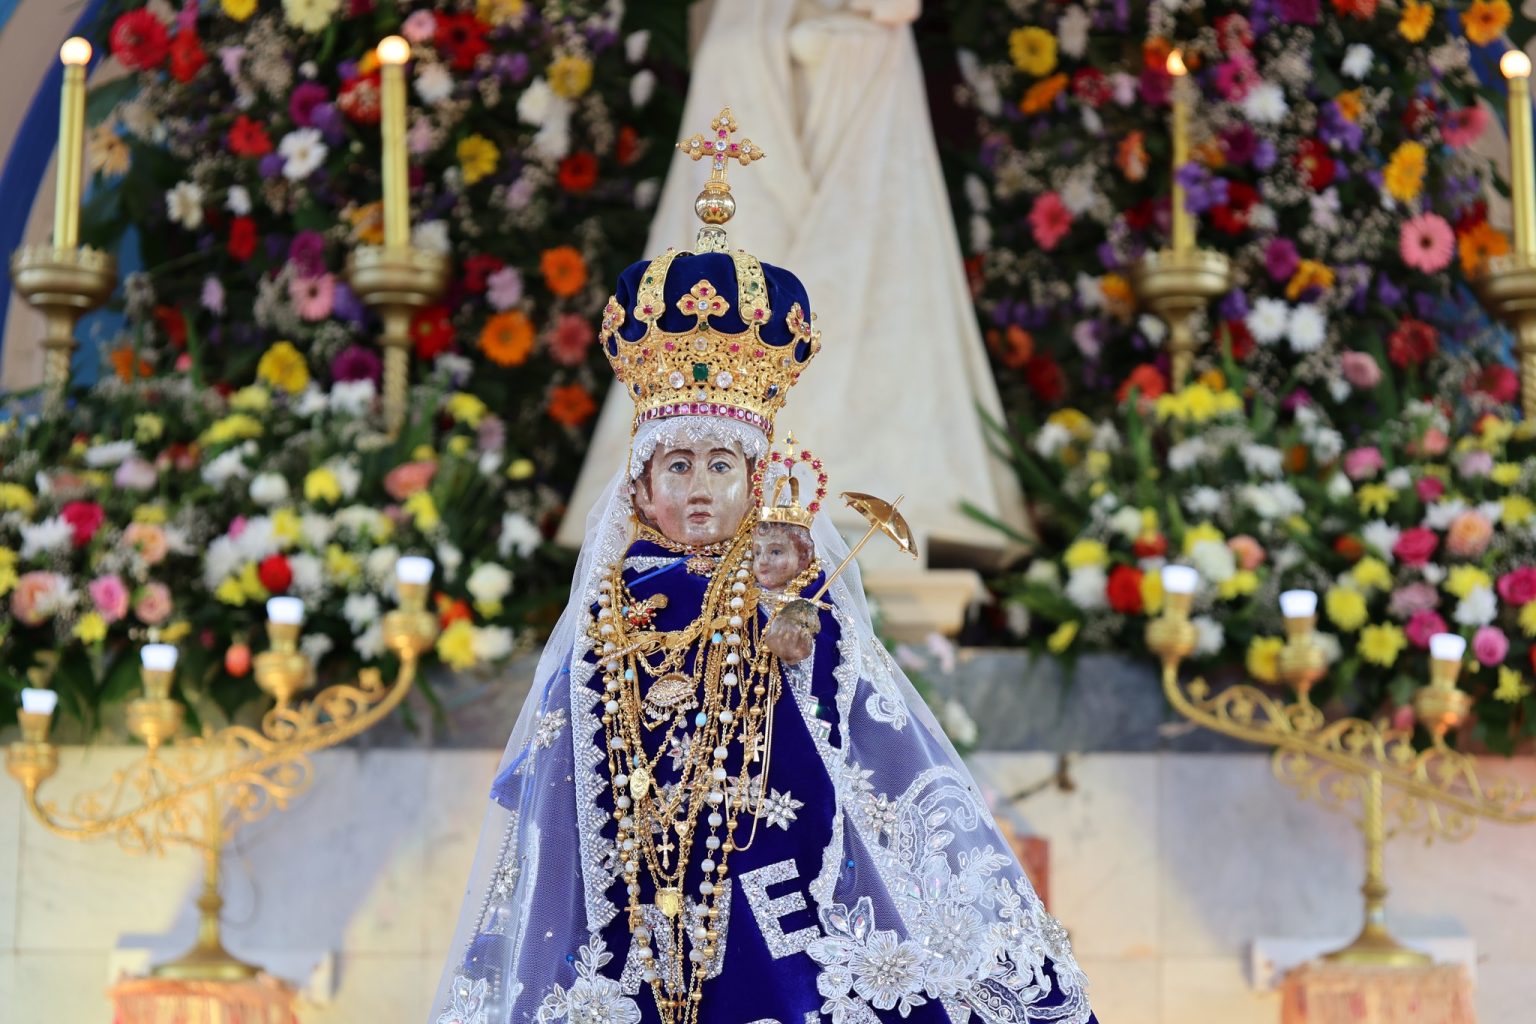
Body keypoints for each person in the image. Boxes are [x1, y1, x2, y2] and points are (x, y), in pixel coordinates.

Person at [430, 111, 1095, 1024]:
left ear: (759, 479)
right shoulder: (610, 609)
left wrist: (799, 637)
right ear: (640, 486)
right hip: (633, 902)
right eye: (677, 466)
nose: (699, 489)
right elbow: (561, 776)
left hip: (776, 892)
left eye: (720, 466)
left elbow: (859, 758)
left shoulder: (796, 591)